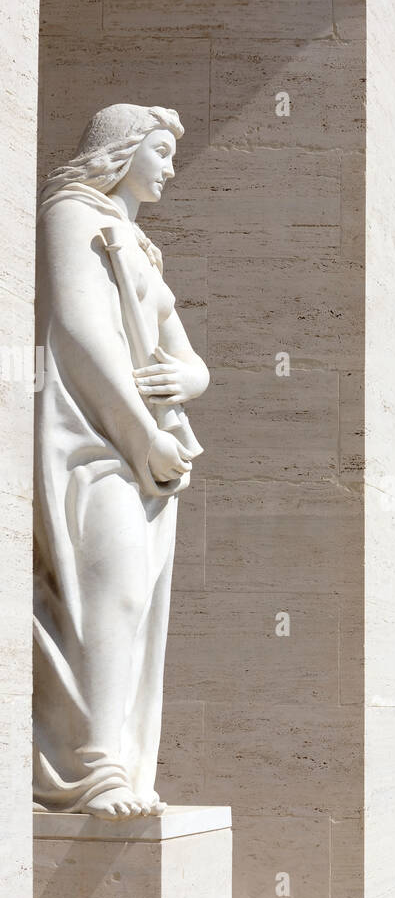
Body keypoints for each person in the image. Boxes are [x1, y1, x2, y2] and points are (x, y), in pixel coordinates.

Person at [33, 104, 209, 818]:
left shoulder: (141, 245)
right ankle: (94, 767)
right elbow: (79, 328)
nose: (169, 167)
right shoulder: (74, 214)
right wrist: (140, 435)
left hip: (152, 455)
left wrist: (187, 382)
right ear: (123, 149)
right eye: (160, 151)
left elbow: (190, 357)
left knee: (133, 598)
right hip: (91, 436)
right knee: (113, 586)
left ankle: (117, 759)